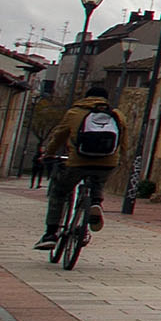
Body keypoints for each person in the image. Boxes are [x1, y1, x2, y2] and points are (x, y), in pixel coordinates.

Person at [38, 90, 123, 248]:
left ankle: (50, 233)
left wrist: (48, 154)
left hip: (78, 161)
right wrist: (119, 159)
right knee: (98, 182)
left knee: (60, 191)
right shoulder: (117, 115)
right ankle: (95, 202)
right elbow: (123, 140)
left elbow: (58, 137)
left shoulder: (74, 113)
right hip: (107, 162)